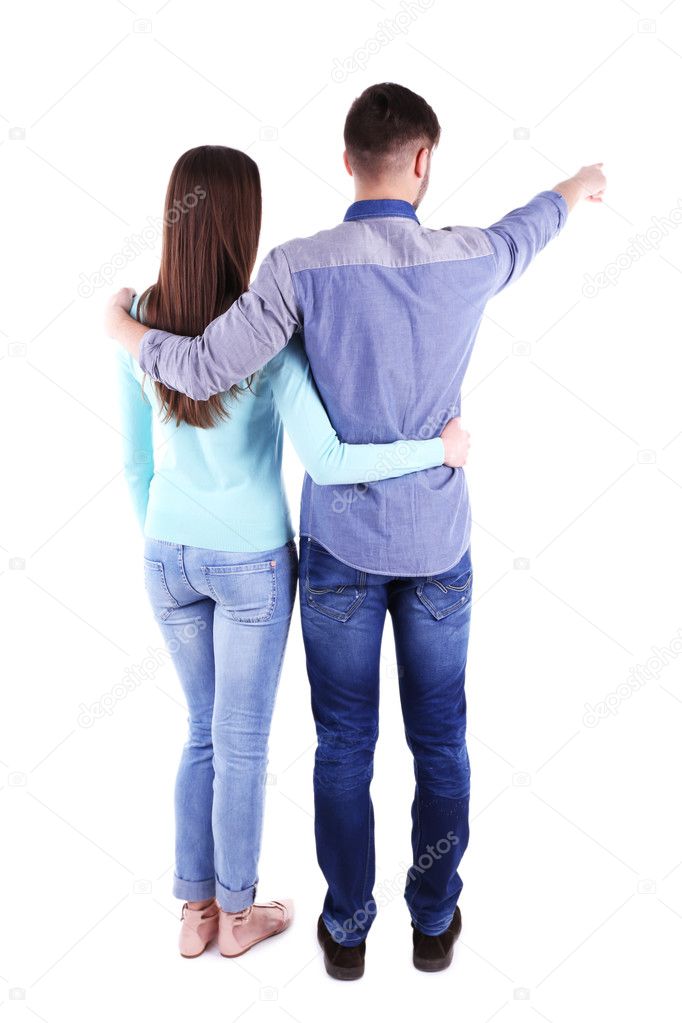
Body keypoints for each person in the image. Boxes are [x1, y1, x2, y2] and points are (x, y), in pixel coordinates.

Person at [106, 85, 606, 980]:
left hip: (334, 552)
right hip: (435, 548)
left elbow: (204, 366)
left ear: (346, 162)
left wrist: (126, 333)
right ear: (423, 163)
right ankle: (433, 917)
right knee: (441, 740)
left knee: (338, 743)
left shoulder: (296, 270)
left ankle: (343, 930)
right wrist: (574, 186)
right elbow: (530, 226)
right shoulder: (471, 257)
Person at [116, 144, 469, 962]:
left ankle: (193, 913)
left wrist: (168, 535)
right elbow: (335, 461)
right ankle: (239, 918)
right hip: (253, 565)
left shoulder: (137, 314)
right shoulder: (270, 331)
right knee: (239, 740)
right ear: (247, 222)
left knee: (199, 732)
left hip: (165, 554)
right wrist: (437, 450)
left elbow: (136, 462)